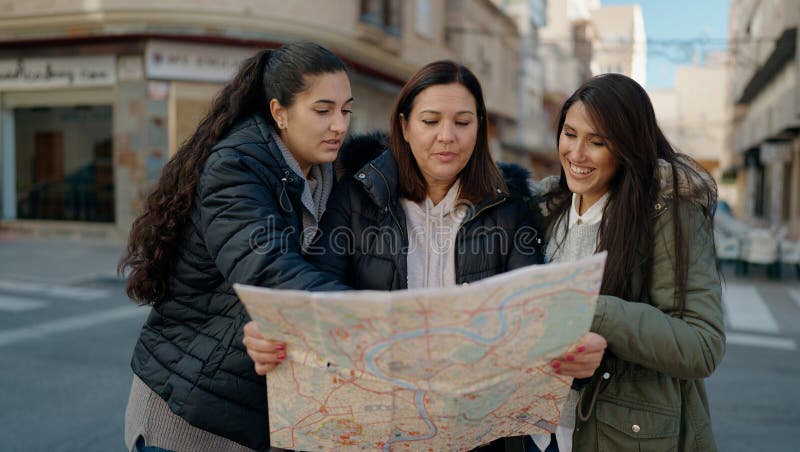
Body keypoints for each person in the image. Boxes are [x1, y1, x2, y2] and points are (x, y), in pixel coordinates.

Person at [242, 60, 607, 451]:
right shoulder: (355, 198)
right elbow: (319, 302)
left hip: (477, 435)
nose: (446, 137)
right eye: (430, 121)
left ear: (479, 127)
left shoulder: (509, 206)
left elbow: (534, 319)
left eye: (463, 122)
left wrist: (575, 357)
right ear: (404, 126)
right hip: (376, 428)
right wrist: (277, 334)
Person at [119, 42, 354, 452]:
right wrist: (378, 321)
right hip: (188, 423)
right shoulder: (237, 168)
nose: (339, 125)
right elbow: (269, 270)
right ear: (280, 112)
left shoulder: (325, 177)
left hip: (255, 423)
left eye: (345, 110)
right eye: (323, 110)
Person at [529, 73, 725, 451]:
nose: (576, 154)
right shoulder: (544, 208)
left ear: (627, 147)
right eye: (569, 134)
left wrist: (593, 311)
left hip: (619, 436)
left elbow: (703, 344)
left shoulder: (667, 215)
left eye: (597, 142)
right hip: (535, 434)